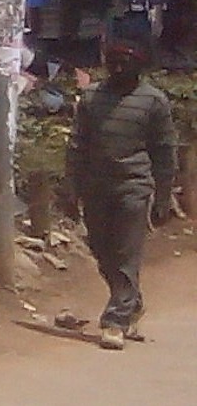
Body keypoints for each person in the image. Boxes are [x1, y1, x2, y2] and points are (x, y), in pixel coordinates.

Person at [68, 35, 180, 349]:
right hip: (95, 187)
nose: (118, 68)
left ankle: (115, 320)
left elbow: (164, 151)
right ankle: (132, 301)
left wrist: (162, 196)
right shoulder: (90, 99)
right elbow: (77, 145)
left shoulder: (153, 101)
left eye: (125, 63)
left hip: (134, 187)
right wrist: (71, 188)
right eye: (113, 62)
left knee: (127, 253)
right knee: (102, 251)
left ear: (138, 67)